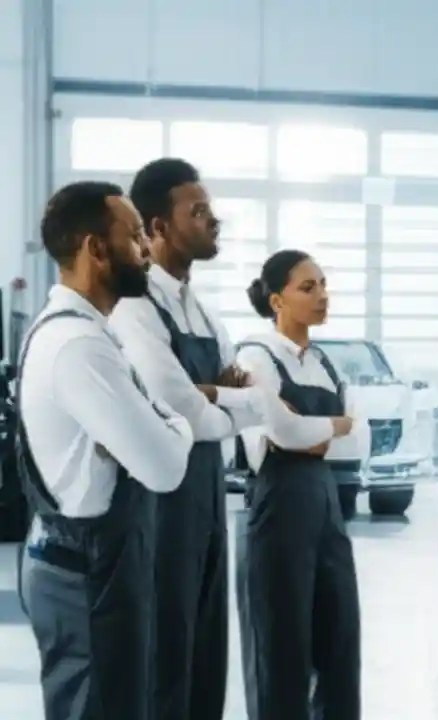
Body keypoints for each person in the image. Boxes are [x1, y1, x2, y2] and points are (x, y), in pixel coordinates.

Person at [17, 181, 194, 719]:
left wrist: (161, 422)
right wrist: (178, 423)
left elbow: (153, 432)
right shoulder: (81, 346)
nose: (146, 250)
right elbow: (164, 467)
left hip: (92, 565)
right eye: (136, 235)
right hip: (87, 576)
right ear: (96, 249)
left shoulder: (88, 332)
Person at [108, 158, 258, 720]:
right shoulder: (135, 308)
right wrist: (222, 401)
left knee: (206, 655)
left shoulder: (205, 313)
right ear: (157, 228)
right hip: (159, 509)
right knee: (166, 657)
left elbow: (242, 398)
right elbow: (183, 411)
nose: (213, 221)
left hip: (210, 504)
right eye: (198, 212)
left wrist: (217, 398)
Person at [234, 249, 367, 719]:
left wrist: (314, 430)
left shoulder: (326, 364)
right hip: (278, 506)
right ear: (277, 300)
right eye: (308, 287)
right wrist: (334, 425)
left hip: (327, 505)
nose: (322, 296)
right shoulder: (255, 355)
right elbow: (282, 434)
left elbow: (359, 440)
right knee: (281, 646)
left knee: (340, 640)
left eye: (324, 285)